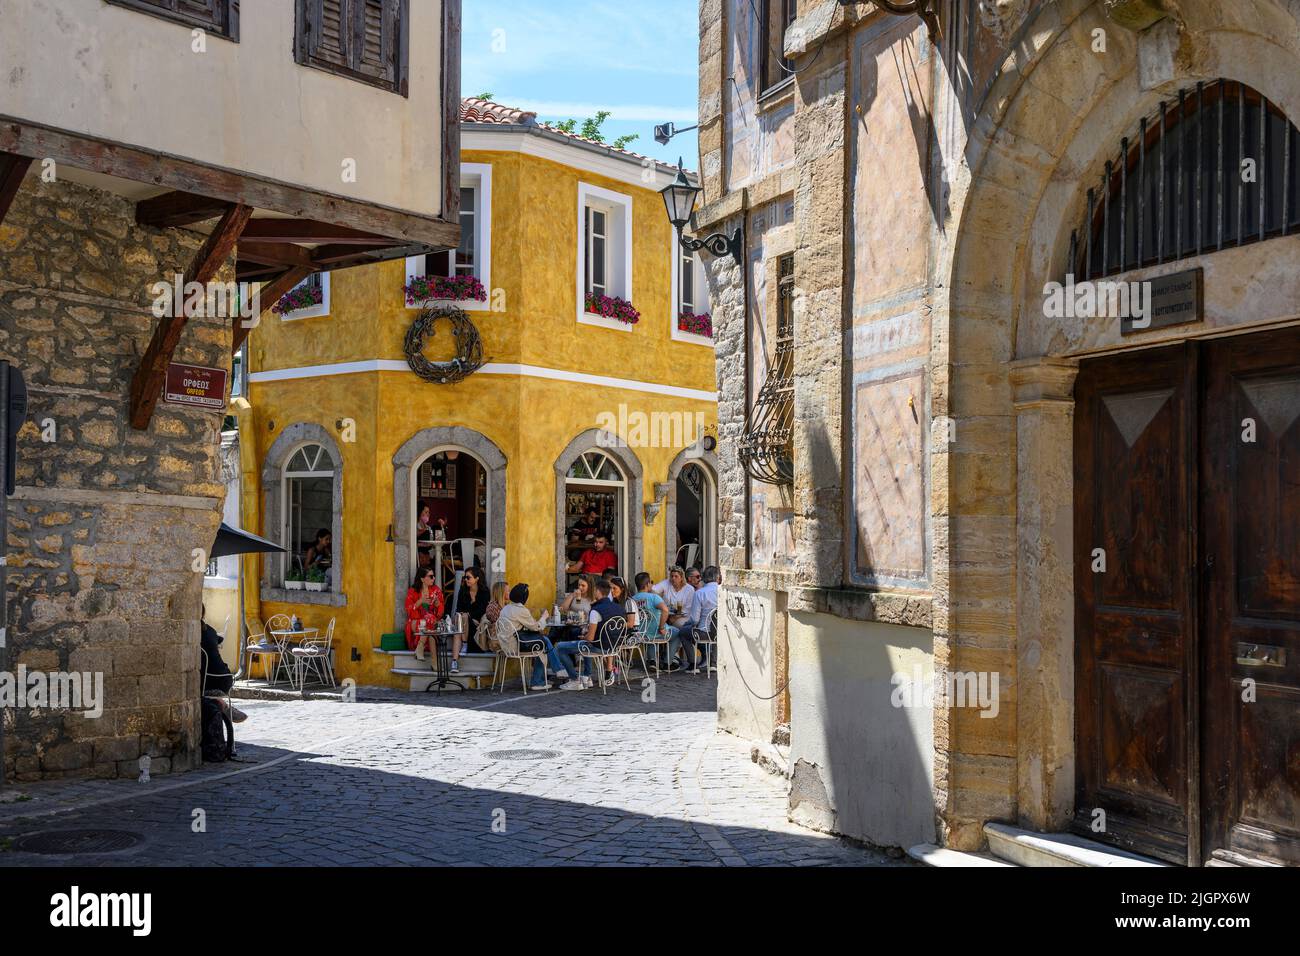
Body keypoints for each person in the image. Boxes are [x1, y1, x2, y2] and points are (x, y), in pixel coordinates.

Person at [554, 578, 628, 690]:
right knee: (584, 643)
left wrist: (584, 636)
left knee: (560, 647)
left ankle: (574, 679)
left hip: (598, 647)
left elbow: (590, 638)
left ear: (598, 592)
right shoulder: (619, 608)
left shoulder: (596, 610)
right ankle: (586, 677)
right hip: (613, 648)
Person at [496, 583, 568, 691]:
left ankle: (548, 675)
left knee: (543, 641)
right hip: (516, 646)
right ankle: (540, 680)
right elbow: (537, 628)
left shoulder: (505, 609)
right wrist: (544, 617)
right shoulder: (521, 610)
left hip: (506, 644)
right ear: (524, 598)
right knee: (542, 644)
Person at [199, 608, 246, 723]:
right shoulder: (210, 630)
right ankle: (224, 705)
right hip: (225, 678)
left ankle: (221, 705)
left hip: (209, 681)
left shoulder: (193, 635)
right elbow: (219, 640)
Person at [404, 568, 452, 667]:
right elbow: (409, 611)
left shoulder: (436, 590)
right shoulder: (413, 591)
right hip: (416, 623)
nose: (433, 578)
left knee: (430, 626)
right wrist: (420, 601)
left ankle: (421, 648)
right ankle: (434, 663)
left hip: (431, 625)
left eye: (433, 576)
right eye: (430, 576)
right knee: (429, 621)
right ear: (422, 579)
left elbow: (440, 613)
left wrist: (438, 604)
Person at [677, 565, 720, 673]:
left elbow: (695, 619)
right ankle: (713, 663)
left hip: (704, 633)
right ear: (717, 577)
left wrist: (687, 624)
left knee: (683, 632)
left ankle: (693, 665)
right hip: (721, 632)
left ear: (704, 578)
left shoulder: (699, 593)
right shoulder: (724, 591)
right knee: (715, 631)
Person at [633, 572, 675, 671]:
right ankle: (667, 662)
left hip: (641, 633)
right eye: (651, 582)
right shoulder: (653, 597)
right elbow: (665, 610)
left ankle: (652, 661)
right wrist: (661, 627)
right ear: (647, 584)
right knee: (678, 632)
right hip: (655, 633)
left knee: (650, 634)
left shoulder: (632, 599)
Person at [455, 566, 491, 652]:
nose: (465, 579)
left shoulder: (484, 591)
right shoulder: (463, 591)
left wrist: (471, 616)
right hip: (465, 621)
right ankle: (464, 644)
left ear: (477, 578)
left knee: (465, 617)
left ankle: (466, 644)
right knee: (463, 616)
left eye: (468, 577)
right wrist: (468, 616)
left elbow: (484, 609)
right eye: (464, 577)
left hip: (478, 621)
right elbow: (459, 608)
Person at [654, 565, 695, 633]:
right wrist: (658, 597)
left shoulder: (689, 589)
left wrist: (675, 618)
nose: (673, 578)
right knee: (656, 622)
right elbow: (654, 590)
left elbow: (688, 608)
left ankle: (674, 639)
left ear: (681, 577)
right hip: (667, 614)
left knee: (678, 624)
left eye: (676, 576)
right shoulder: (667, 583)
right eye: (672, 576)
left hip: (683, 616)